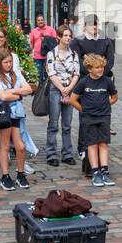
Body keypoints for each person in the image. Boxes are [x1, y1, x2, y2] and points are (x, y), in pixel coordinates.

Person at [70, 52, 116, 187]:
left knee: (103, 144)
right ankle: (95, 172)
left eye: (101, 67)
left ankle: (104, 170)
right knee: (92, 144)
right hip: (88, 118)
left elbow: (114, 97)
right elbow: (73, 99)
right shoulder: (83, 82)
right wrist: (84, 110)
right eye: (97, 67)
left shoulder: (107, 81)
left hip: (104, 117)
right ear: (90, 69)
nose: (100, 70)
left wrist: (106, 105)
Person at [0, 48, 33, 192]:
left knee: (20, 146)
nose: (9, 65)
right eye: (6, 62)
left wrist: (12, 92)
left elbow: (28, 89)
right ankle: (5, 176)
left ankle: (20, 174)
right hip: (2, 113)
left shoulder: (16, 74)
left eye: (10, 62)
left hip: (16, 113)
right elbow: (3, 97)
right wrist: (18, 95)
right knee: (5, 145)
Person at [44, 27, 79, 166]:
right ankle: (51, 154)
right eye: (65, 35)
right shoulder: (51, 54)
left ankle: (67, 153)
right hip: (55, 89)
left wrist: (68, 89)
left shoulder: (74, 54)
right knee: (53, 123)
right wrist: (62, 89)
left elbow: (76, 73)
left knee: (67, 124)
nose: (68, 38)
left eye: (69, 35)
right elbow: (51, 74)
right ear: (58, 37)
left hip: (69, 89)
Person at [28, 15, 56, 86]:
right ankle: (40, 90)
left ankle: (47, 89)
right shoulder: (34, 31)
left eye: (41, 20)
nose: (40, 21)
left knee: (49, 73)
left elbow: (55, 41)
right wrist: (30, 55)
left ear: (44, 20)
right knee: (38, 74)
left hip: (49, 56)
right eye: (38, 20)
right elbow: (31, 44)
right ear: (36, 22)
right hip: (37, 57)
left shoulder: (51, 29)